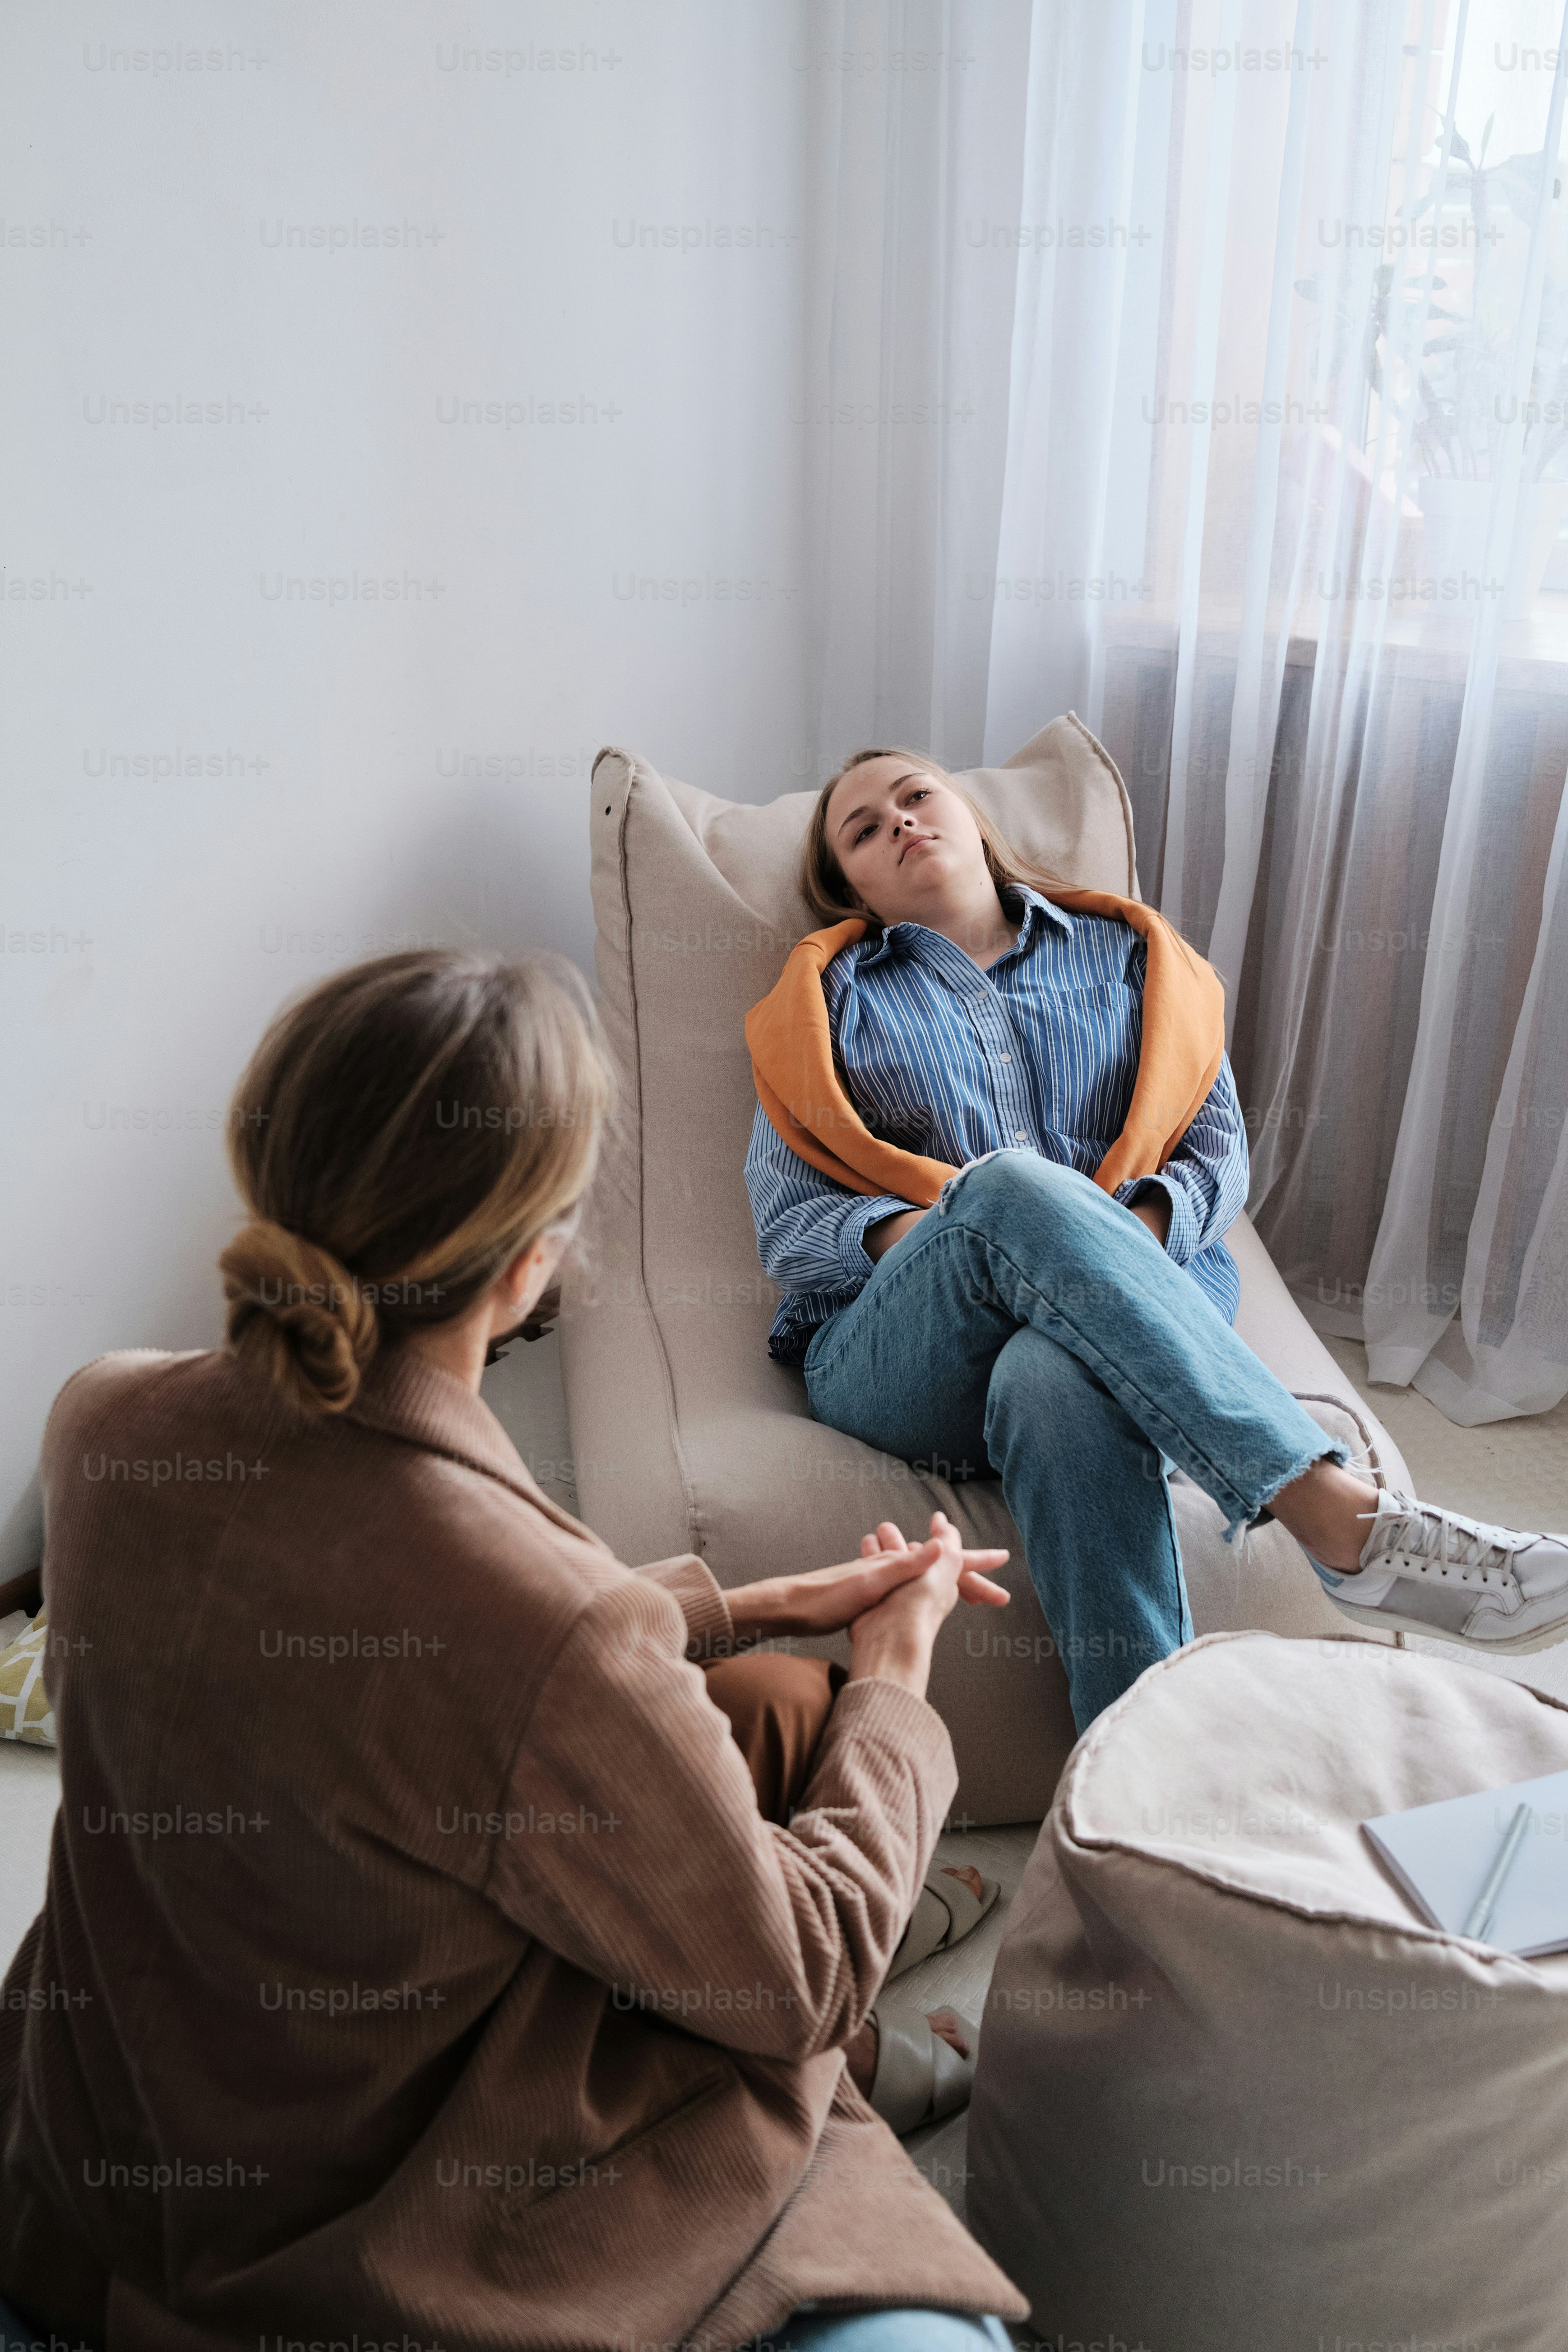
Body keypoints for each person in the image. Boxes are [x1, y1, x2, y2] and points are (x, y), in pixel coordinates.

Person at [0, 950, 1027, 2352]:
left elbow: (390, 1665)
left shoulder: (101, 1422)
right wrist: (896, 1685)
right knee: (816, 1822)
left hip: (140, 2108)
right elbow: (787, 1975)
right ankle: (889, 2030)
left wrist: (736, 1603)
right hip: (372, 2224)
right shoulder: (548, 1624)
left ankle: (891, 1979)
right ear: (537, 1259)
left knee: (777, 1698)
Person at [744, 748, 1568, 1730]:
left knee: (1051, 1374)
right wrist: (983, 1234)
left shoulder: (1132, 954)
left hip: (1123, 1313)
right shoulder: (828, 999)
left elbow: (1217, 1153)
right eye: (865, 830)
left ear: (969, 815)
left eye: (916, 797)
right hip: (903, 1347)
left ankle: (1141, 1781)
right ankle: (1335, 1517)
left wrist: (1099, 1255)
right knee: (1010, 1188)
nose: (901, 825)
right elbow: (794, 1229)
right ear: (852, 887)